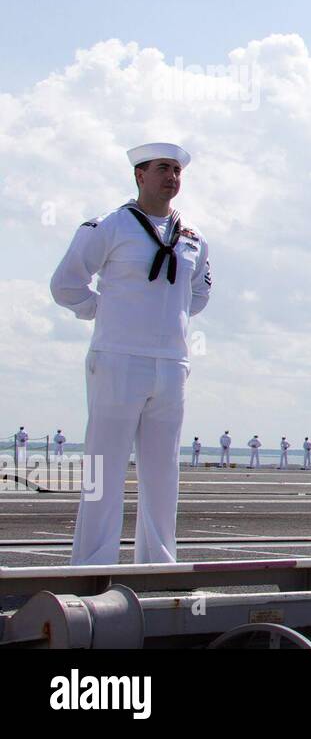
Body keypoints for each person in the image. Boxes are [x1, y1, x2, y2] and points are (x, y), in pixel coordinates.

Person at [49, 142, 212, 565]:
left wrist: (163, 322)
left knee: (163, 472)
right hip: (119, 358)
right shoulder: (110, 226)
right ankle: (92, 566)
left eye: (177, 170)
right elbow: (66, 283)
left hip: (171, 364)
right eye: (162, 168)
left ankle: (158, 565)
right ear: (140, 175)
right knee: (104, 468)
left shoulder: (193, 237)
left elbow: (198, 296)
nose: (172, 177)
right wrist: (104, 313)